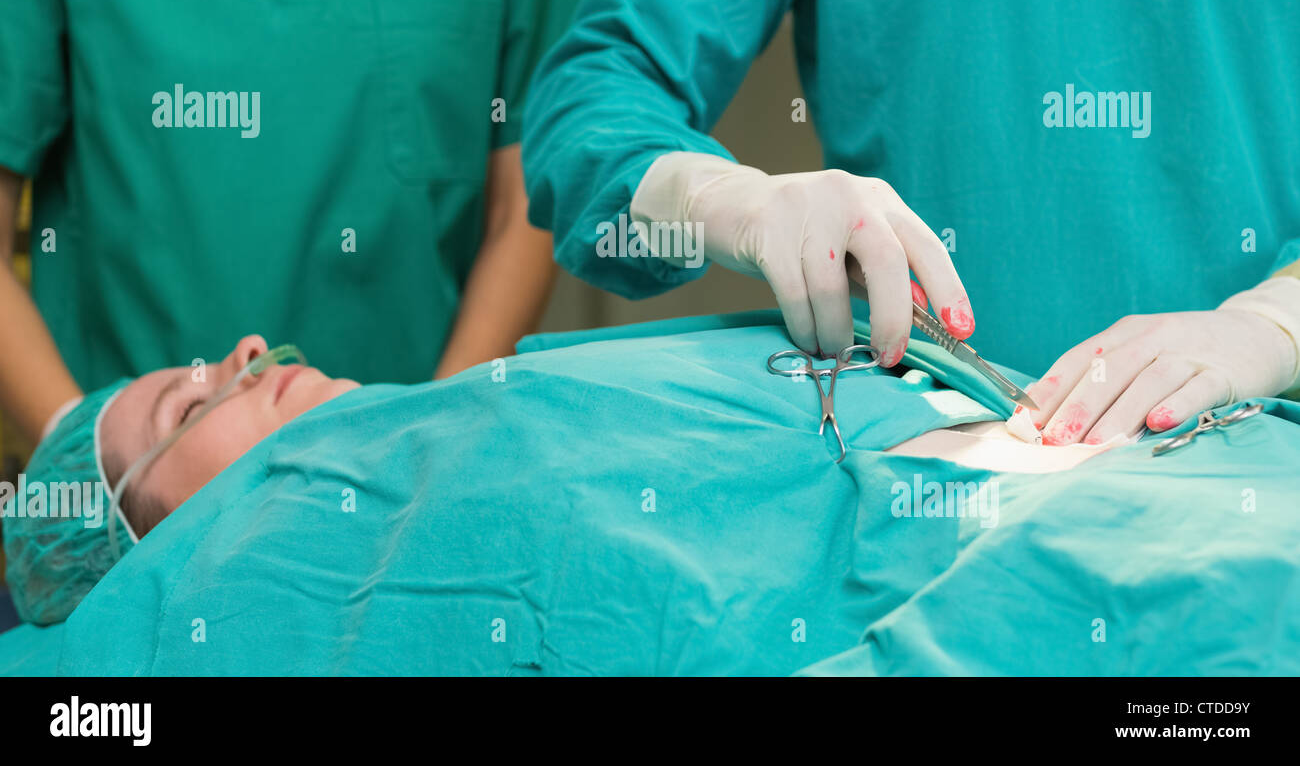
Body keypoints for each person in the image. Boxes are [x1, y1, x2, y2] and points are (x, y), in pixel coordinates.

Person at [521, 0, 1300, 448]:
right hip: (926, 473)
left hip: (1248, 494)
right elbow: (591, 94)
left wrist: (1276, 324)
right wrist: (720, 199)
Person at [5, 319, 1297, 676]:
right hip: (1141, 578)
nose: (246, 355)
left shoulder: (500, 395)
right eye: (185, 409)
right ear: (144, 553)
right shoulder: (260, 580)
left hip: (1201, 464)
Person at [0, 0, 596, 446]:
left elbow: (526, 205)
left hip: (406, 484)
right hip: (145, 518)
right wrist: (100, 475)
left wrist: (429, 450)